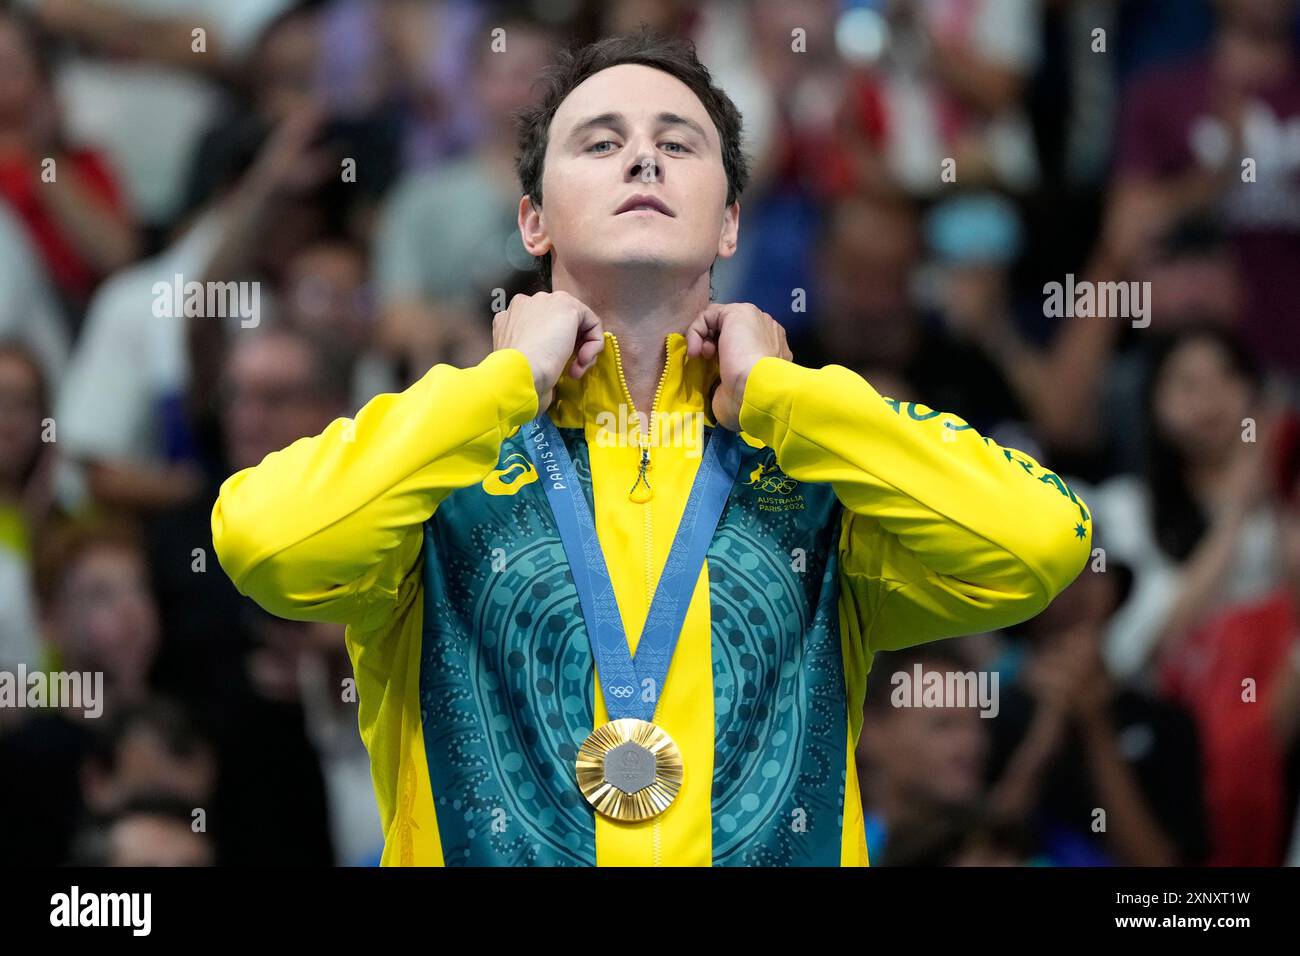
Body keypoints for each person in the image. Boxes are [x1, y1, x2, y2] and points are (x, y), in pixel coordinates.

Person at [213, 29, 1091, 867]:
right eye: (599, 144)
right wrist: (499, 383)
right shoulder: (439, 463)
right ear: (533, 223)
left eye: (679, 143)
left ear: (730, 225)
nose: (643, 159)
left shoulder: (816, 467)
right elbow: (264, 541)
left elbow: (1043, 542)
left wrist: (787, 397)